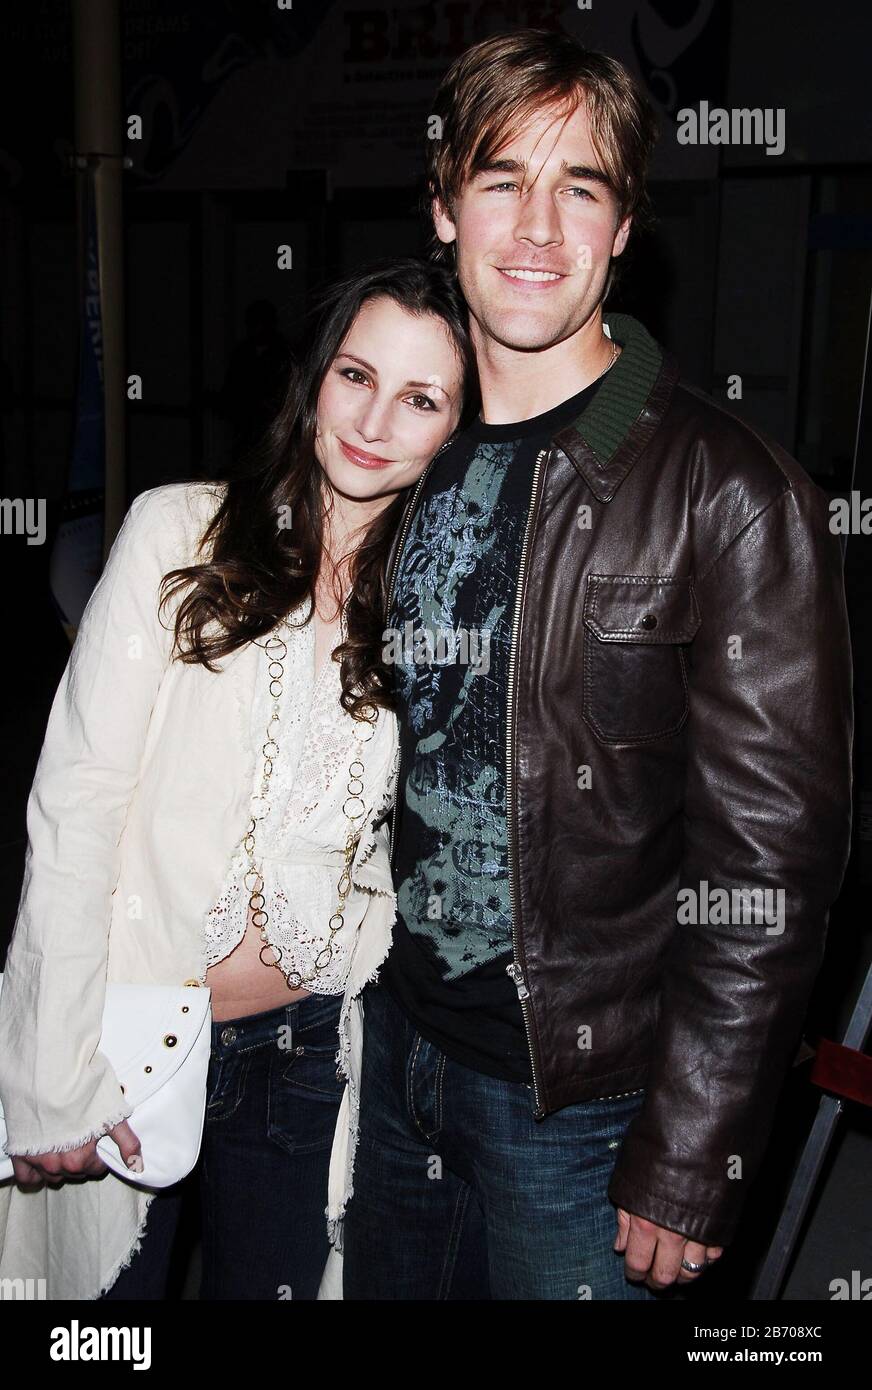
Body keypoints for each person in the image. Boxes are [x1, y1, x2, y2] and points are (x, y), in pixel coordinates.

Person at [339, 30, 854, 1300]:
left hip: (577, 1109)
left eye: (581, 187)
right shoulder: (397, 442)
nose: (534, 225)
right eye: (501, 176)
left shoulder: (722, 490)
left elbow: (769, 857)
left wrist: (693, 1151)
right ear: (444, 204)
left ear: (624, 228)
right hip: (383, 1048)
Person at [0, 257, 477, 1300]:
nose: (374, 419)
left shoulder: (435, 616)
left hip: (305, 1058)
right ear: (313, 380)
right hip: (124, 1039)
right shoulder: (179, 534)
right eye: (355, 375)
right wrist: (48, 1074)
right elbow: (75, 805)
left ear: (455, 429)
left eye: (420, 398)